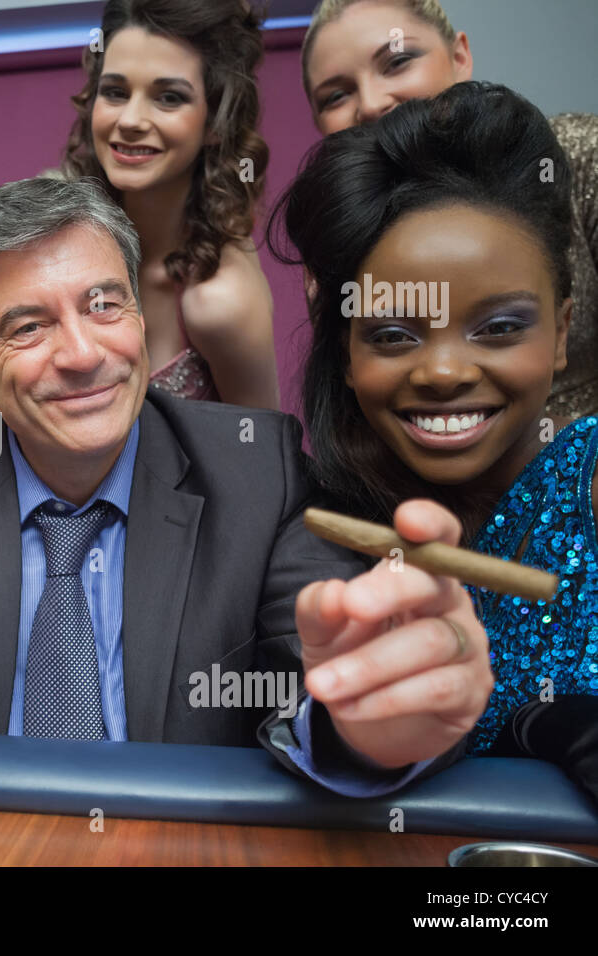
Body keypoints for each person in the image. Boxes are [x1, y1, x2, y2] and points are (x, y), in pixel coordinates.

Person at [0, 176, 495, 795]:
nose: (82, 353)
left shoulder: (260, 469)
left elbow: (323, 683)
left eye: (104, 304)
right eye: (28, 326)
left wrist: (370, 720)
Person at [272, 81, 597, 764]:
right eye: (392, 335)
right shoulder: (320, 529)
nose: (444, 372)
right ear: (348, 355)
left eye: (500, 327)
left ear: (562, 333)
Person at [300, 0, 598, 421]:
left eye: (398, 61)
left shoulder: (580, 159)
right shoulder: (340, 233)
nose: (369, 103)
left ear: (459, 57)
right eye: (336, 95)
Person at [52, 0, 279, 410]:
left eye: (169, 98)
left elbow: (262, 461)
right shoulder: (57, 245)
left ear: (214, 124)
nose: (132, 120)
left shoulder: (218, 299)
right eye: (116, 92)